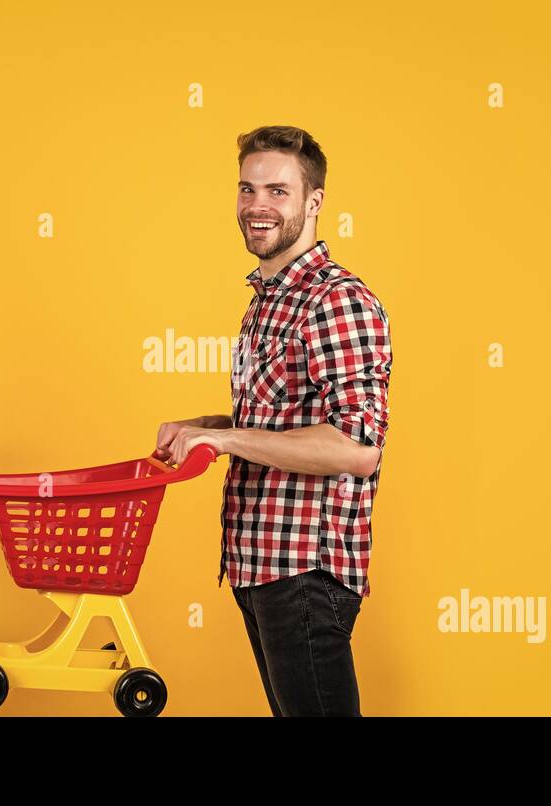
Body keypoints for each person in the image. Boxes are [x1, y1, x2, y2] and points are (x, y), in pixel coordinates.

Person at [155, 125, 392, 717]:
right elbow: (280, 420)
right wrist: (204, 426)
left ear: (313, 202)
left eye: (277, 191)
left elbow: (357, 445)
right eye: (247, 189)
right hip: (260, 561)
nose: (257, 206)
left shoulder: (334, 301)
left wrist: (226, 437)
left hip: (304, 570)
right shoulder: (268, 298)